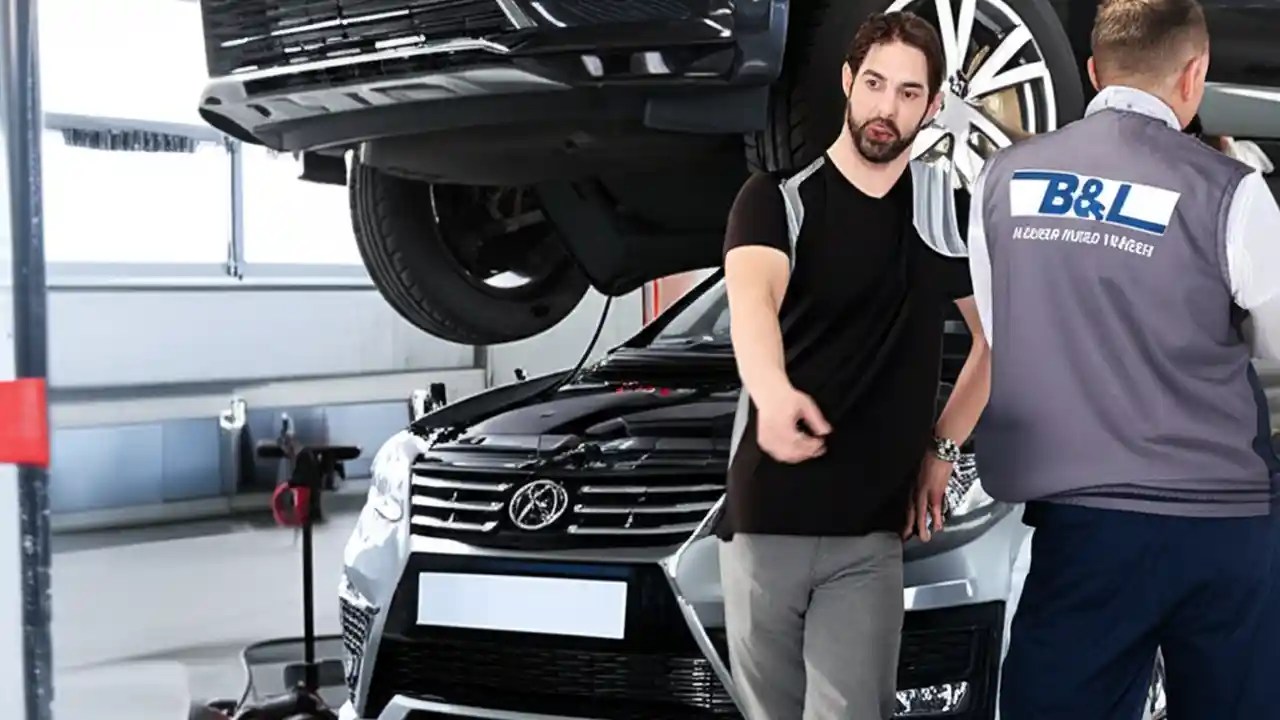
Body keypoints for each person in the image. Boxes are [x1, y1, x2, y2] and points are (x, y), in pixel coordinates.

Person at [965, 0, 1280, 716]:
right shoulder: (1229, 189)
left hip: (1084, 527)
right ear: (1194, 75)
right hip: (1223, 524)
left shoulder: (1002, 181)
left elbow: (1003, 322)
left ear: (1091, 70)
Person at [715, 11, 992, 720]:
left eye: (907, 93)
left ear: (932, 107)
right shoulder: (775, 199)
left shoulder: (942, 209)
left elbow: (999, 344)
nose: (885, 108)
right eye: (873, 84)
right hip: (763, 528)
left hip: (868, 540)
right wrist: (772, 394)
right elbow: (751, 304)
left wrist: (942, 448)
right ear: (846, 81)